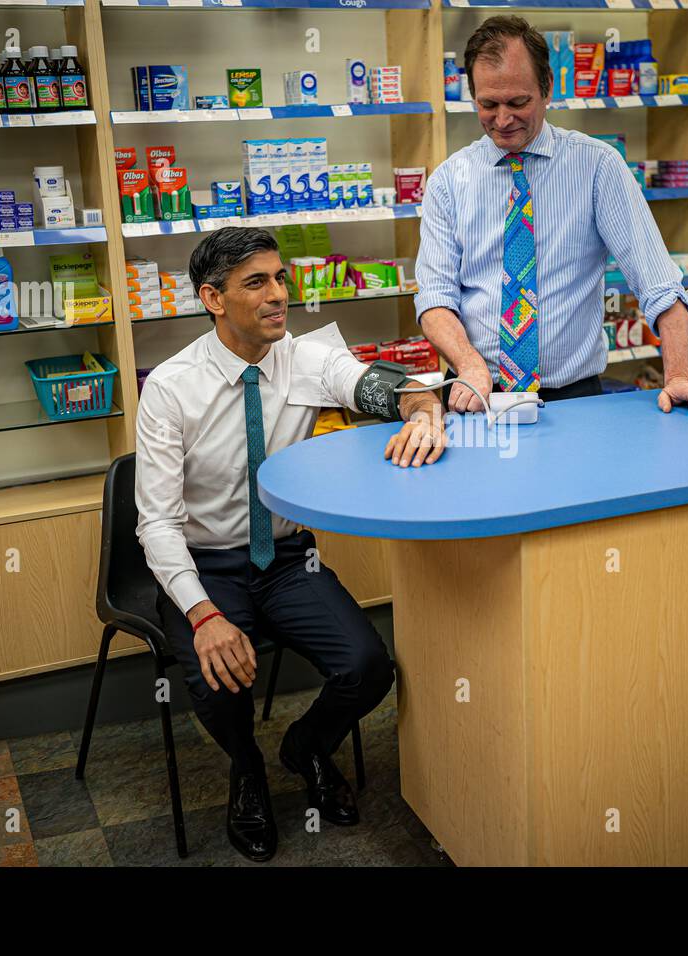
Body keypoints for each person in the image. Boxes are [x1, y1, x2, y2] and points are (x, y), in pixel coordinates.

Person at [135, 227, 446, 863]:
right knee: (218, 681)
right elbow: (157, 525)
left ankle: (304, 746)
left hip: (286, 560)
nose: (279, 294)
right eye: (257, 282)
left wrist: (419, 406)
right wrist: (203, 614)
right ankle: (246, 768)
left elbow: (374, 385)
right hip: (207, 567)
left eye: (280, 277)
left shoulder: (305, 357)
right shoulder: (171, 387)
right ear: (213, 299)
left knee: (369, 667)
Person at [415, 14, 688, 417]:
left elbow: (661, 287)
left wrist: (679, 375)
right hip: (477, 396)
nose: (503, 119)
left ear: (547, 90)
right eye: (488, 104)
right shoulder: (448, 182)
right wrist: (469, 363)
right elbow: (435, 300)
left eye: (518, 102)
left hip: (575, 401)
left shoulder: (597, 167)